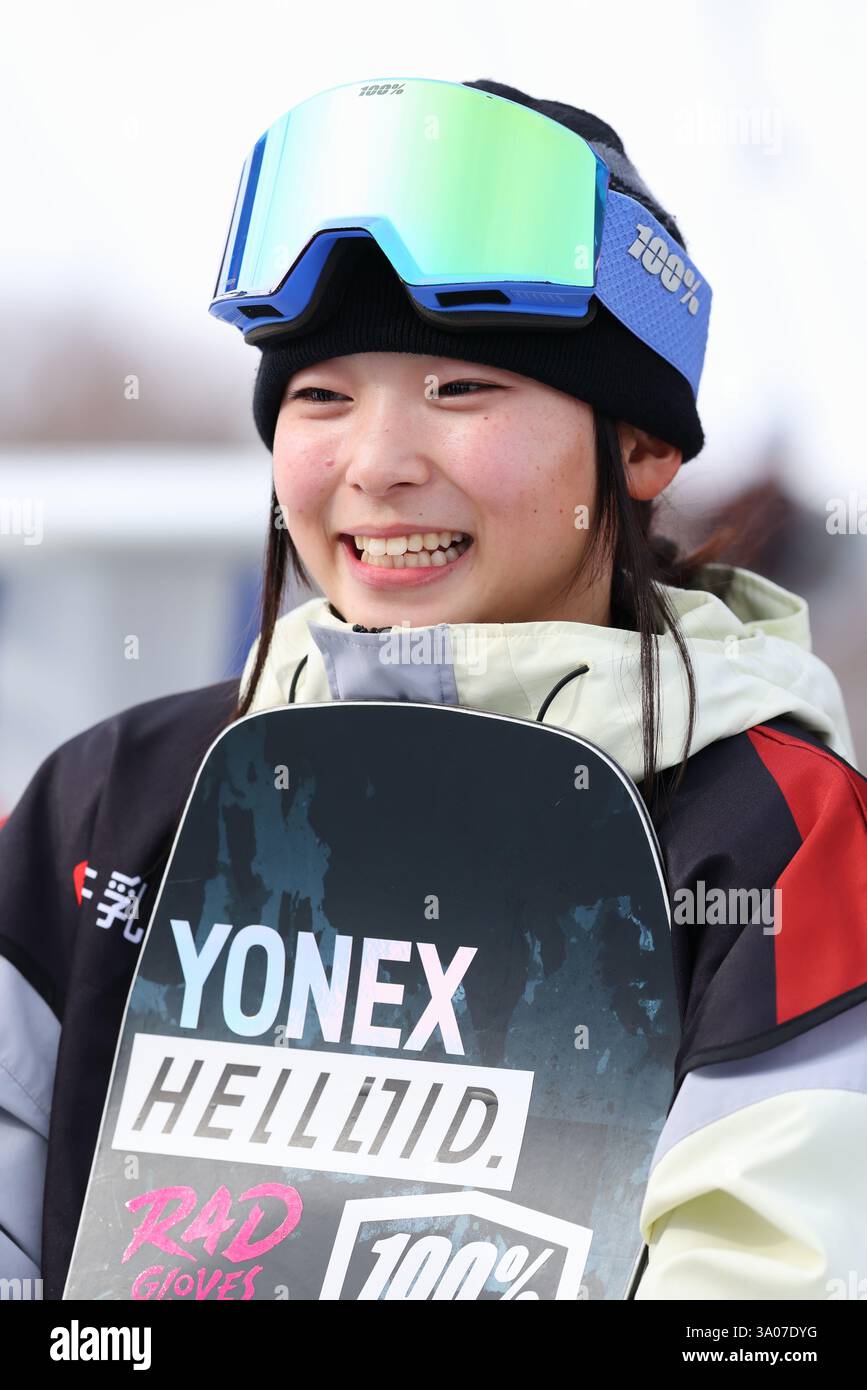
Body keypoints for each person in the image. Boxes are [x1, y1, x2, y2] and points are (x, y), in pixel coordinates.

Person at [1, 77, 865, 1302]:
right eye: (320, 397)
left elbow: (781, 1279)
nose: (378, 465)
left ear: (642, 446)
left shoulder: (772, 840)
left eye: (463, 391)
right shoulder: (112, 803)